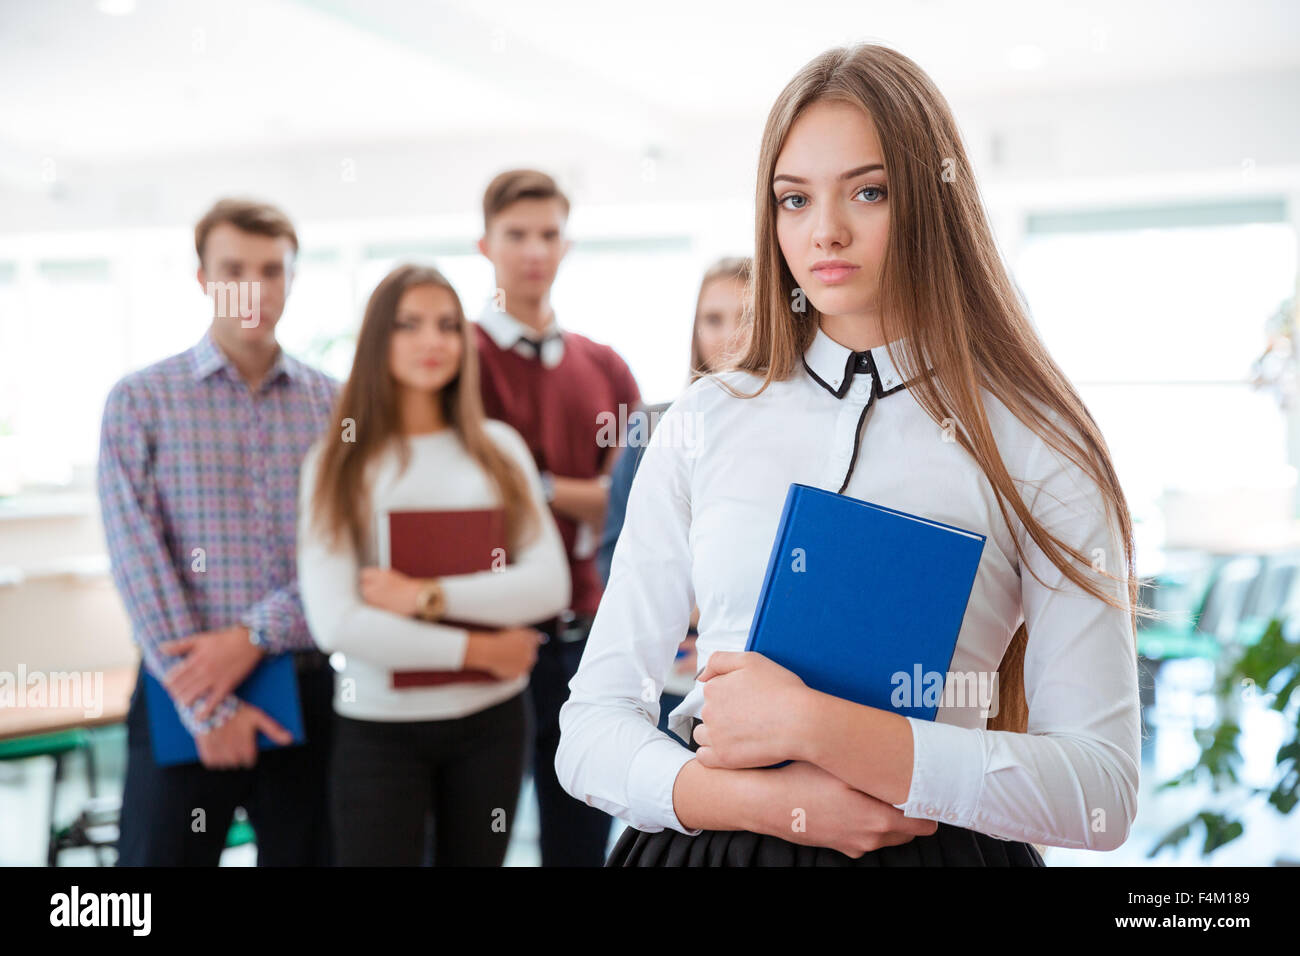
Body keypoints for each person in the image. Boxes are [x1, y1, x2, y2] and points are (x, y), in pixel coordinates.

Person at [556, 43, 1144, 866]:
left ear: (936, 203)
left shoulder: (1038, 440)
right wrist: (763, 803)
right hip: (713, 847)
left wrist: (816, 727)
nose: (825, 231)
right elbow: (587, 730)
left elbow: (1100, 794)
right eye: (793, 199)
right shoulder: (708, 418)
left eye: (868, 191)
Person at [297, 263, 570, 866]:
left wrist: (426, 596)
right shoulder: (338, 461)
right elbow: (337, 623)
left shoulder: (498, 449)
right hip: (379, 730)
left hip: (492, 725)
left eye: (447, 325)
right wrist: (478, 651)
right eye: (409, 325)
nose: (433, 341)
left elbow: (548, 583)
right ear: (377, 341)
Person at [98, 197, 338, 866]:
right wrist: (209, 708)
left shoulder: (339, 405)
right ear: (203, 278)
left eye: (272, 270)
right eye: (235, 269)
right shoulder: (140, 400)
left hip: (306, 690)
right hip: (179, 697)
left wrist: (253, 636)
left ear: (292, 278)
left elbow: (348, 557)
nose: (254, 290)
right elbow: (136, 559)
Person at [473, 169, 643, 866]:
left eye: (548, 234)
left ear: (566, 245)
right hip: (492, 642)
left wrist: (529, 482)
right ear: (485, 244)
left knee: (579, 846)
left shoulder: (603, 366)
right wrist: (577, 492)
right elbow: (476, 502)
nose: (534, 251)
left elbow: (635, 503)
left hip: (590, 639)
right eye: (517, 235)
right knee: (467, 841)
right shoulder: (454, 360)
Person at [596, 256, 753, 742]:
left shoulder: (796, 432)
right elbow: (614, 551)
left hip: (757, 681)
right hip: (669, 676)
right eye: (712, 319)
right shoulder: (655, 428)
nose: (728, 335)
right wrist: (686, 609)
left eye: (746, 317)